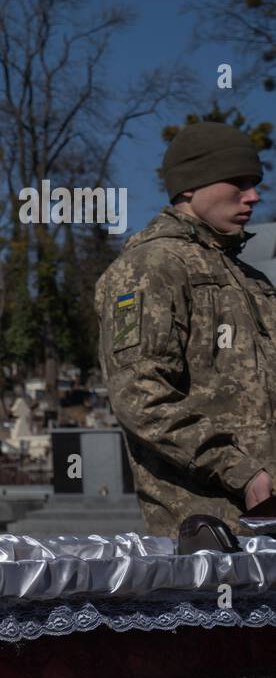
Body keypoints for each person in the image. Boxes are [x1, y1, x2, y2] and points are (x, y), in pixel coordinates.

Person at [96, 121, 271, 536]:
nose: (254, 195)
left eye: (256, 182)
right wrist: (242, 472)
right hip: (208, 532)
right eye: (238, 182)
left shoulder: (252, 280)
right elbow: (140, 396)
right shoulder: (149, 269)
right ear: (191, 186)